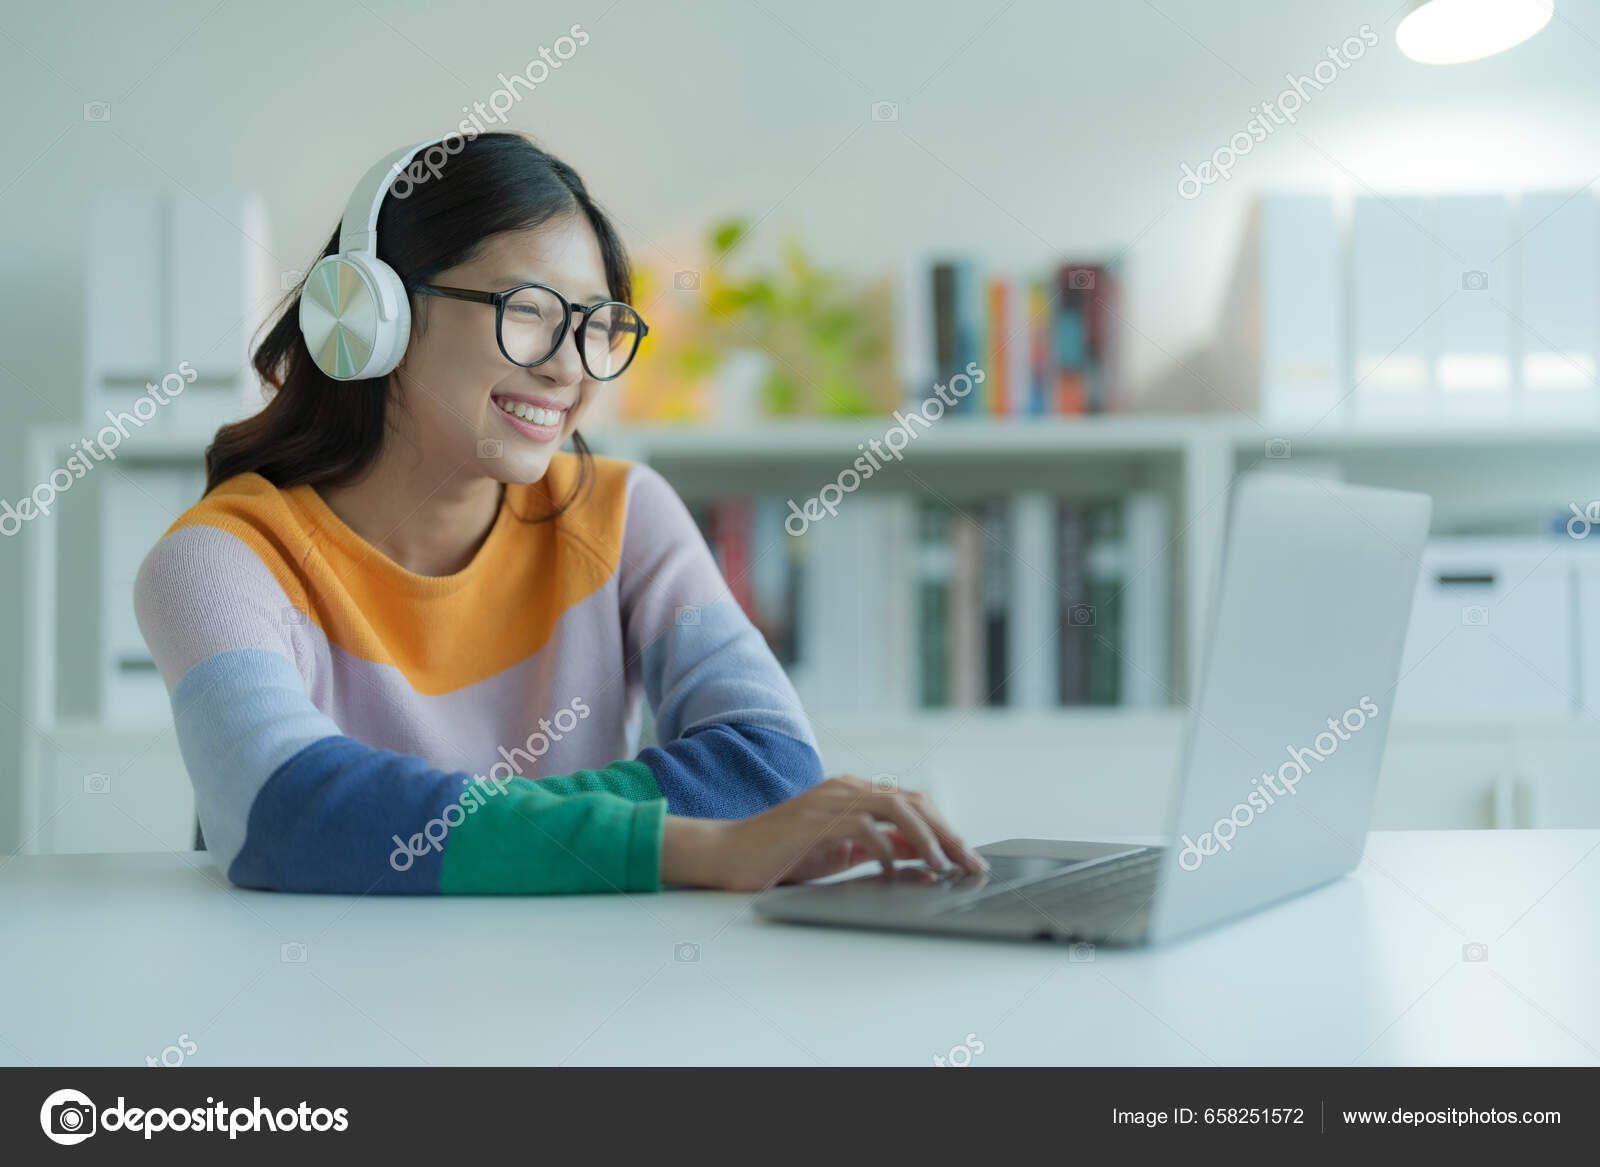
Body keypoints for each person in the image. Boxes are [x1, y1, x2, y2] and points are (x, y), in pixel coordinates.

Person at [134, 130, 986, 896]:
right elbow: (285, 812)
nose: (570, 369)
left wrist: (432, 822)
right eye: (530, 313)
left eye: (596, 325)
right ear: (372, 314)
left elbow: (771, 772)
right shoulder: (221, 561)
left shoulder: (624, 515)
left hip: (573, 1004)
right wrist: (688, 847)